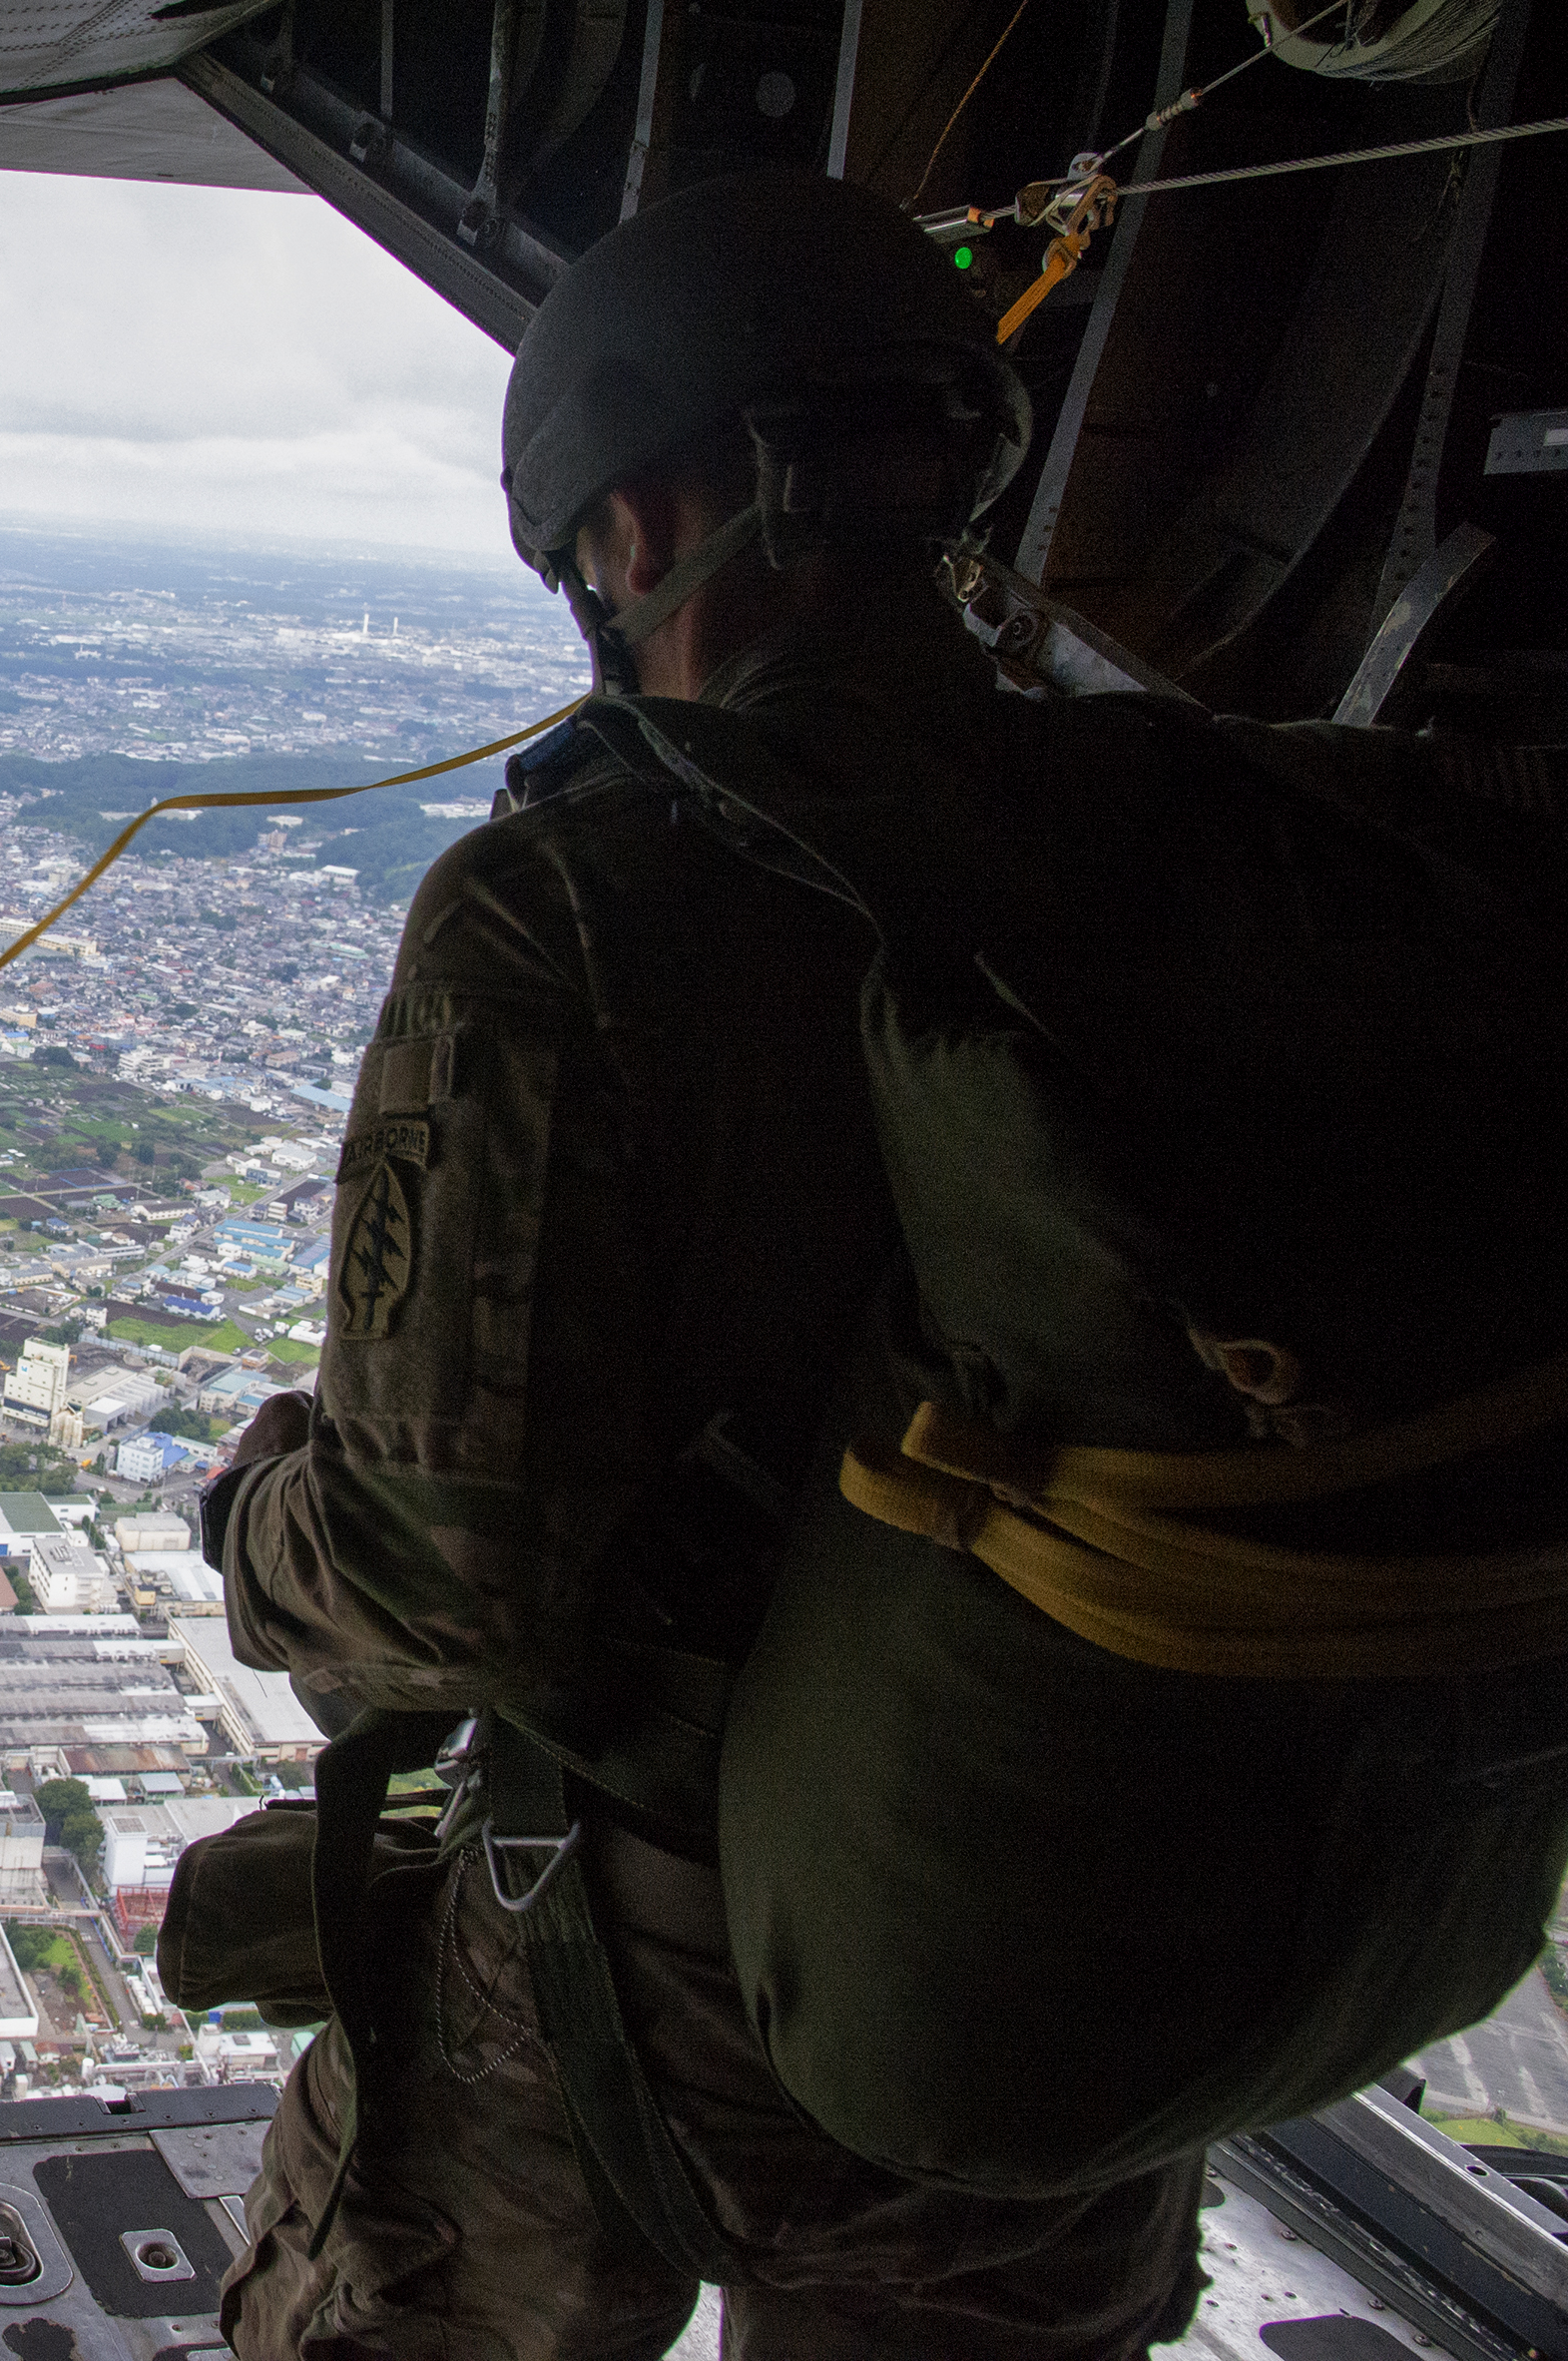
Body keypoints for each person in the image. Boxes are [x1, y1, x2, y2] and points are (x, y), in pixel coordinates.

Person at [197, 170, 1220, 2356]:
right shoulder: (1224, 826)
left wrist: (260, 1521)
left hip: (683, 1951)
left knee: (371, 2286)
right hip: (1131, 1923)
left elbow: (448, 1584)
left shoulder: (570, 905)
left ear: (632, 533)